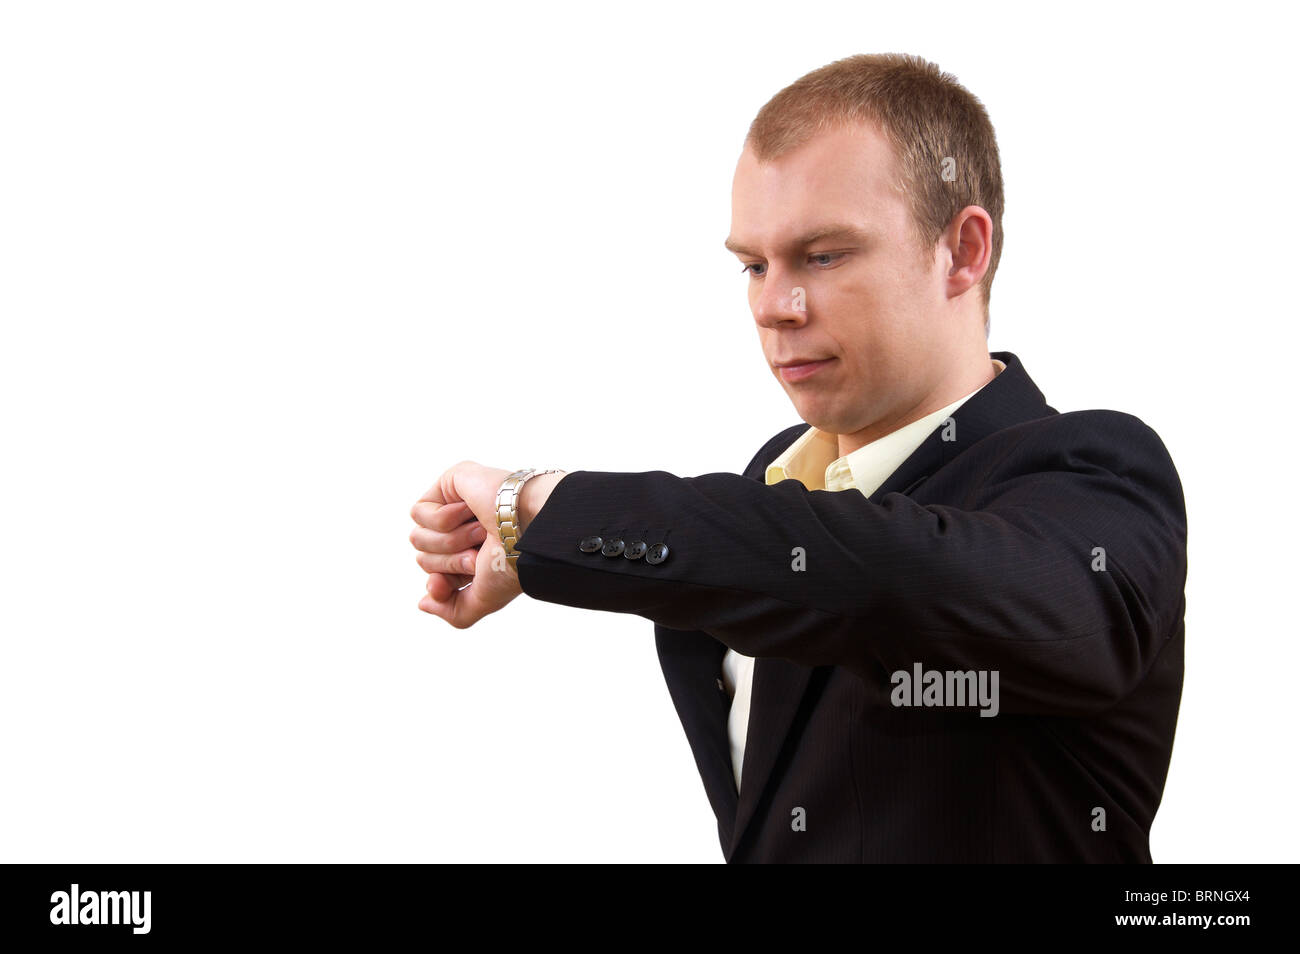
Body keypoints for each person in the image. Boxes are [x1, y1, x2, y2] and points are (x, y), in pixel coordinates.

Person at [408, 53, 1187, 863]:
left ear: (962, 251)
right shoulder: (770, 484)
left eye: (822, 256)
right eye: (753, 265)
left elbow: (885, 574)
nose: (773, 308)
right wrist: (535, 540)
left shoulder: (1097, 474)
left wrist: (542, 507)